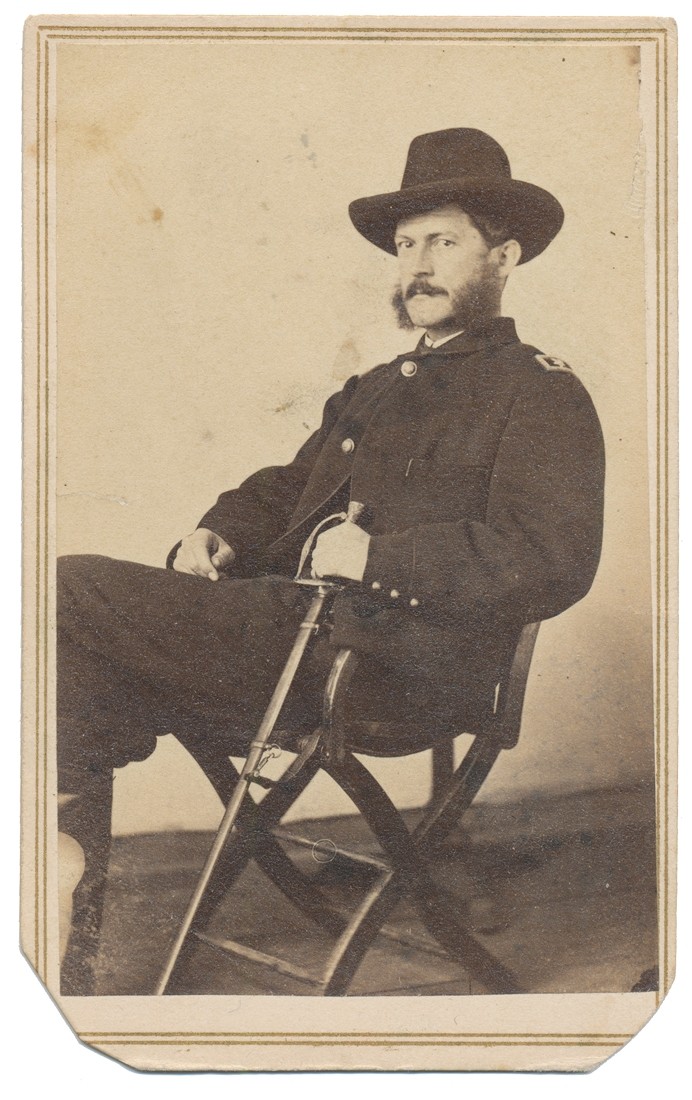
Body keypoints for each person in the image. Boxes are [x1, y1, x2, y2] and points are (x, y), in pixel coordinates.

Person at [57, 127, 605, 991]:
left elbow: (553, 556)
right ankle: (68, 960)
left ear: (504, 257)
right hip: (292, 637)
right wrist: (220, 531)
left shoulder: (539, 393)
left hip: (392, 668)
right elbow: (288, 484)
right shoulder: (378, 386)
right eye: (406, 243)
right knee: (69, 676)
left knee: (62, 587)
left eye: (444, 241)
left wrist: (378, 555)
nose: (417, 263)